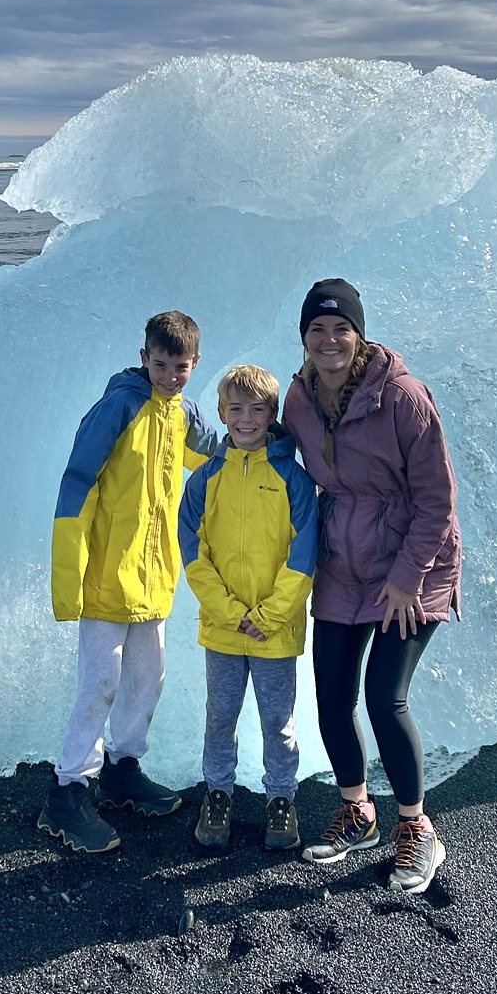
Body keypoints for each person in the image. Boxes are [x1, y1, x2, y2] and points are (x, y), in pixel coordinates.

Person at [280, 279, 460, 895]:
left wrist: (408, 579)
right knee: (331, 693)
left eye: (341, 329)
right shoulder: (299, 402)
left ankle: (416, 827)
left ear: (358, 335)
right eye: (317, 330)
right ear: (303, 338)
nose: (329, 340)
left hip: (414, 563)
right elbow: (273, 456)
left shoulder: (403, 397)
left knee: (386, 696)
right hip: (342, 561)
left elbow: (437, 499)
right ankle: (356, 809)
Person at [37, 311, 220, 854]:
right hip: (106, 578)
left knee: (148, 678)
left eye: (180, 366)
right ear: (143, 358)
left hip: (153, 578)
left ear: (195, 364)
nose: (169, 375)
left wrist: (279, 437)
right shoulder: (118, 407)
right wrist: (70, 579)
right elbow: (76, 486)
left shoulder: (181, 413)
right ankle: (68, 790)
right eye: (160, 364)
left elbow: (222, 450)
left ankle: (122, 769)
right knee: (100, 684)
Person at [180, 364, 318, 853]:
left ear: (271, 413)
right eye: (235, 409)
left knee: (277, 723)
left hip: (273, 633)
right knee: (220, 716)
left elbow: (303, 557)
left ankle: (281, 800)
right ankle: (217, 793)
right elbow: (192, 551)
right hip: (223, 630)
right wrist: (227, 611)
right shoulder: (205, 478)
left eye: (256, 409)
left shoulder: (293, 480)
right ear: (220, 413)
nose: (245, 419)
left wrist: (267, 615)